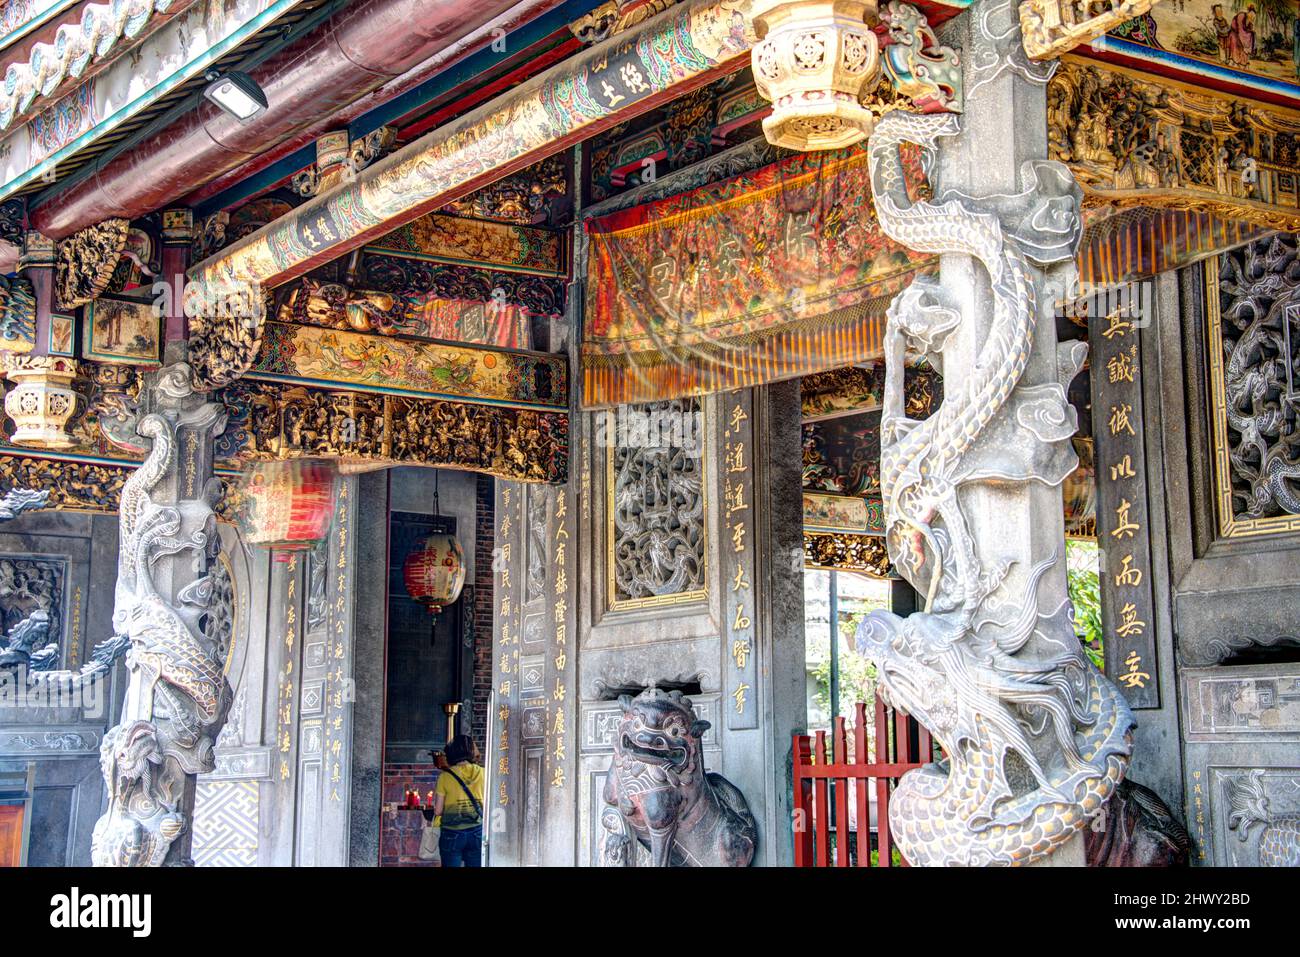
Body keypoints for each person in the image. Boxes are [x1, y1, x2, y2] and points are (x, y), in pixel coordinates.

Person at [432, 734, 485, 867]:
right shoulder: (484, 773)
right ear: (472, 751)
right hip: (477, 832)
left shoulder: (445, 777)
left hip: (451, 833)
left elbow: (438, 811)